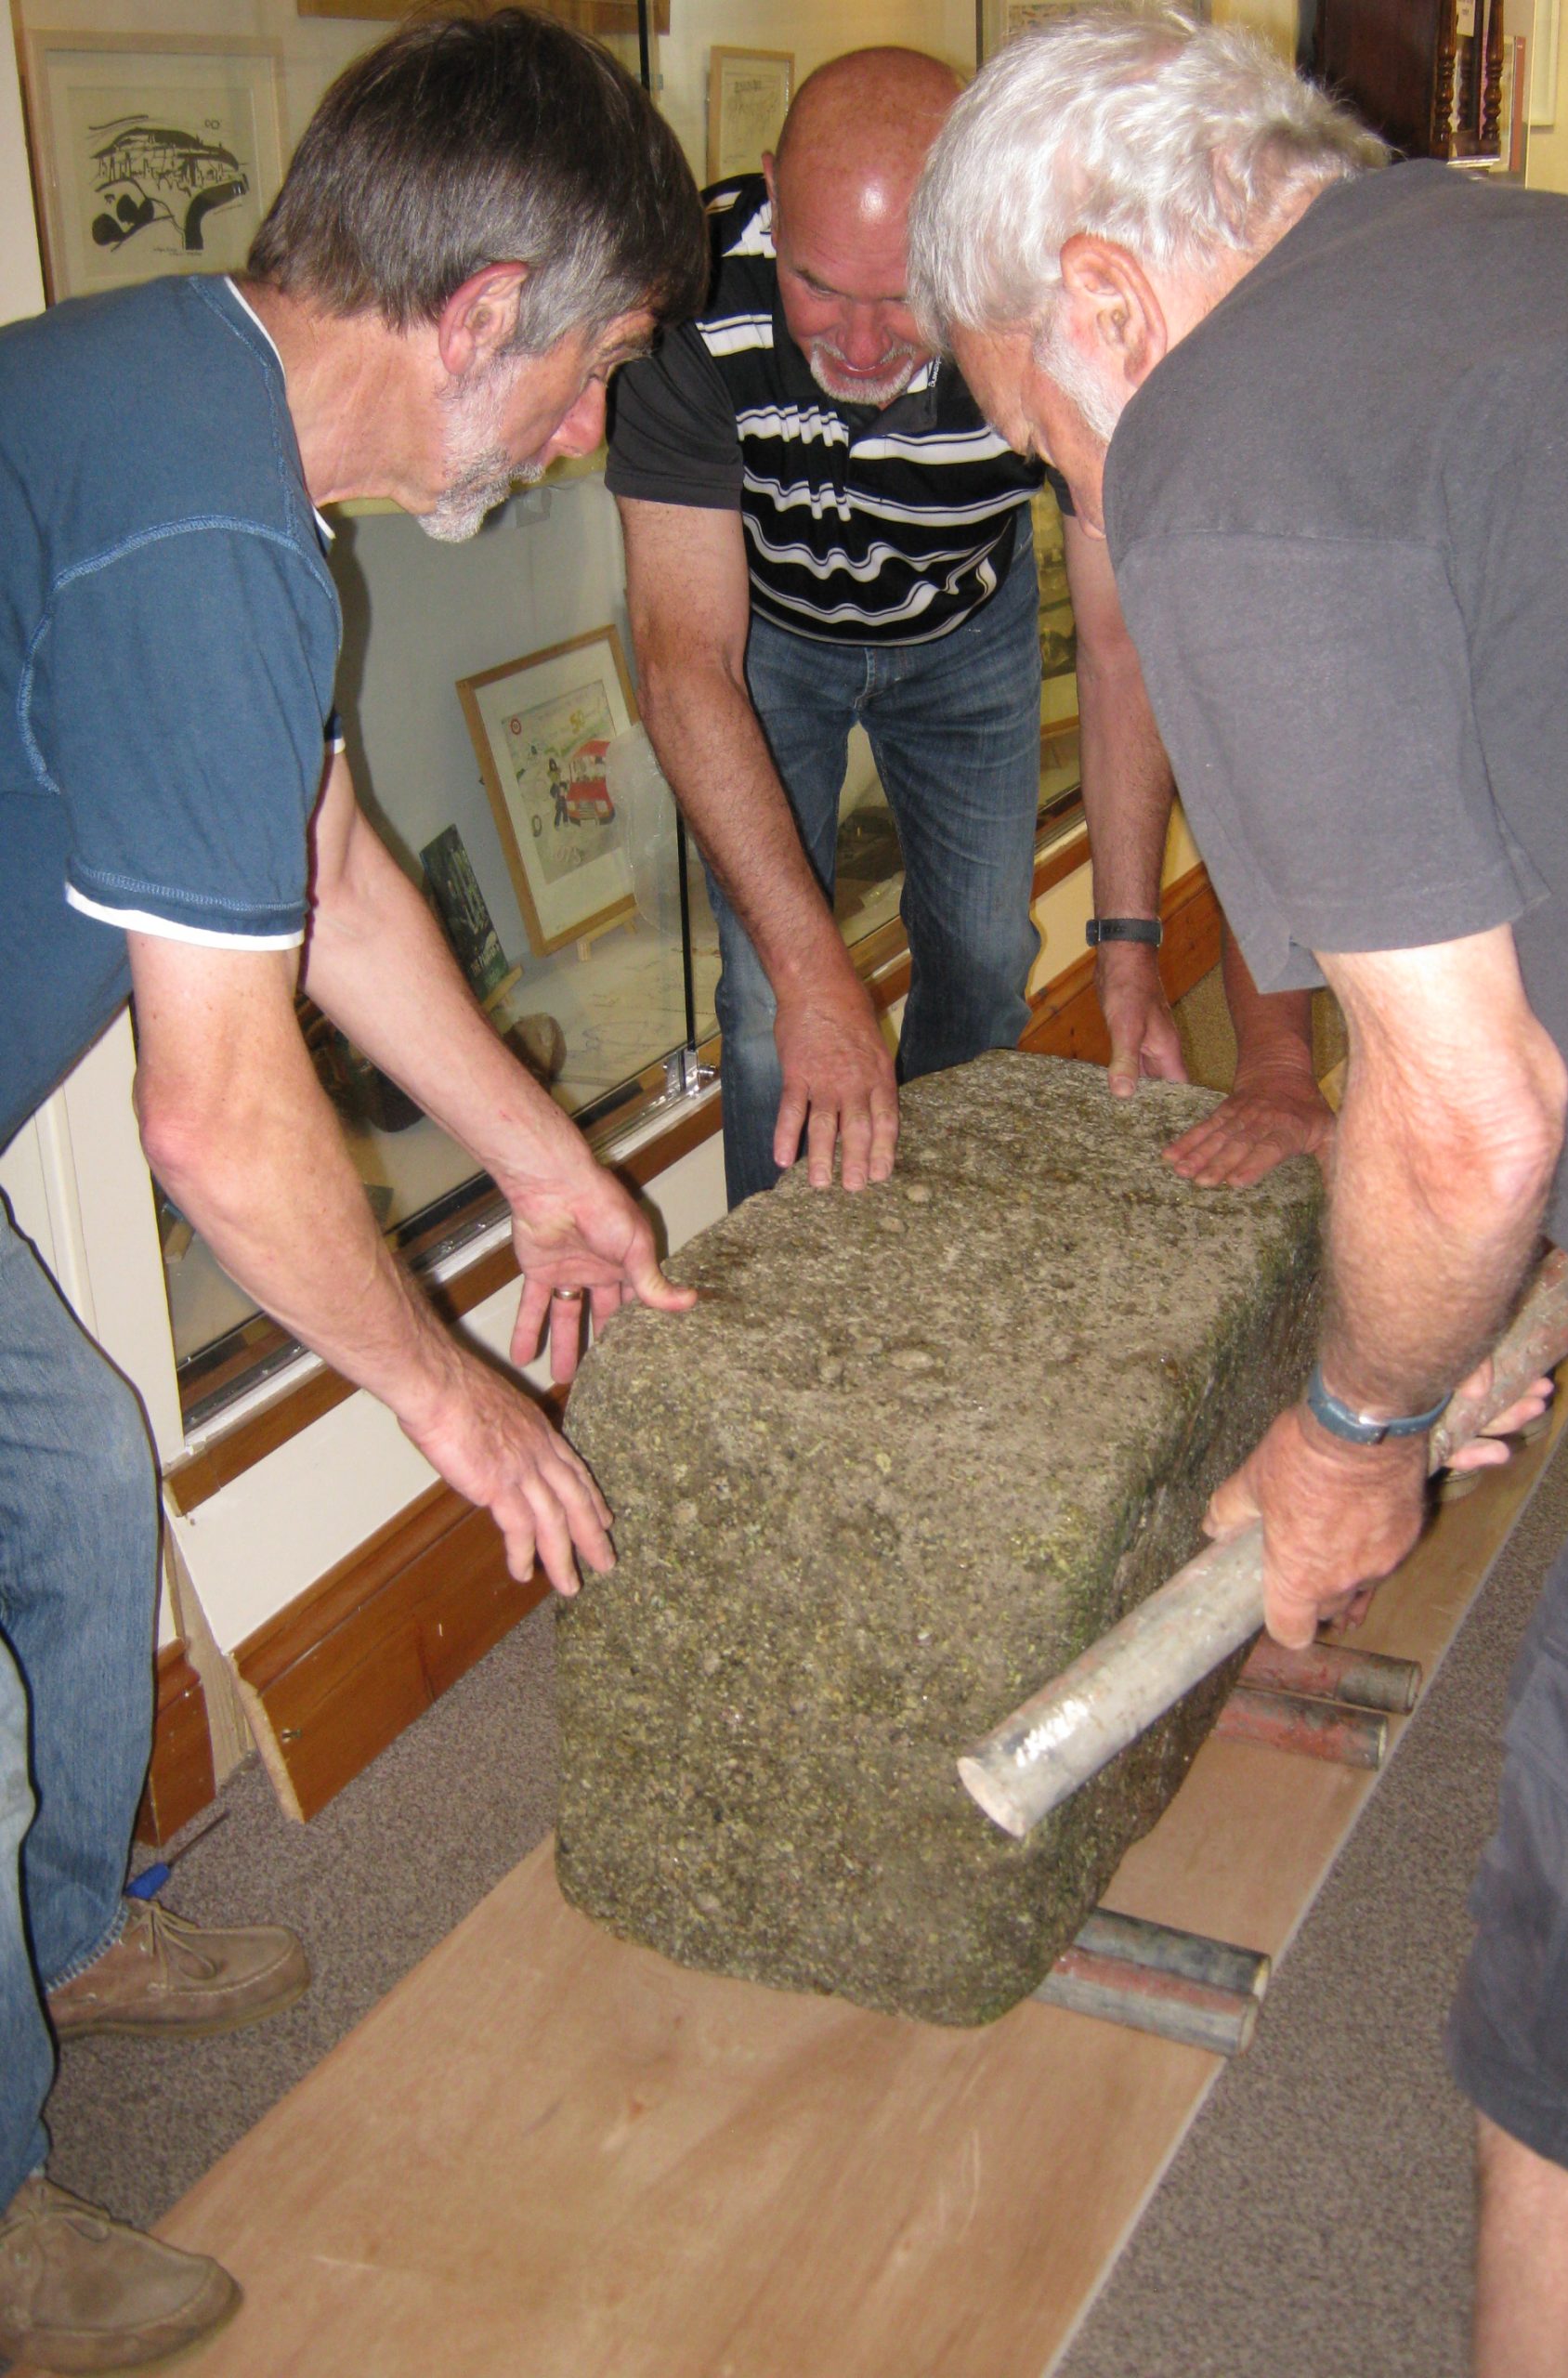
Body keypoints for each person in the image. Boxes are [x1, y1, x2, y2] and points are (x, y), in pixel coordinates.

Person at [909, 12, 1568, 2375]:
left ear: (1104, 299)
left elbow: (1461, 1113)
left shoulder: (1239, 433)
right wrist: (1508, 1300)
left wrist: (1355, 1431)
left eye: (1045, 438)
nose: (1093, 496)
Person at [0, 13, 704, 2367]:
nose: (587, 433)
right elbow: (215, 1117)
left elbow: (324, 881)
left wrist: (551, 1166)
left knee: (70, 1471)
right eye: (591, 371)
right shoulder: (206, 522)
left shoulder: (198, 418)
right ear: (484, 312)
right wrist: (448, 1390)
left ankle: (64, 1926)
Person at [606, 46, 1327, 1209]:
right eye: (816, 285)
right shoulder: (688, 296)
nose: (857, 346)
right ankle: (785, 1274)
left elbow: (1118, 648)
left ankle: (939, 1229)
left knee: (987, 961)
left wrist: (1129, 943)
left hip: (966, 629)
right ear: (772, 193)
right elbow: (685, 660)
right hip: (762, 645)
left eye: (902, 298)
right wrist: (815, 977)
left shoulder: (1050, 307)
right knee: (767, 1002)